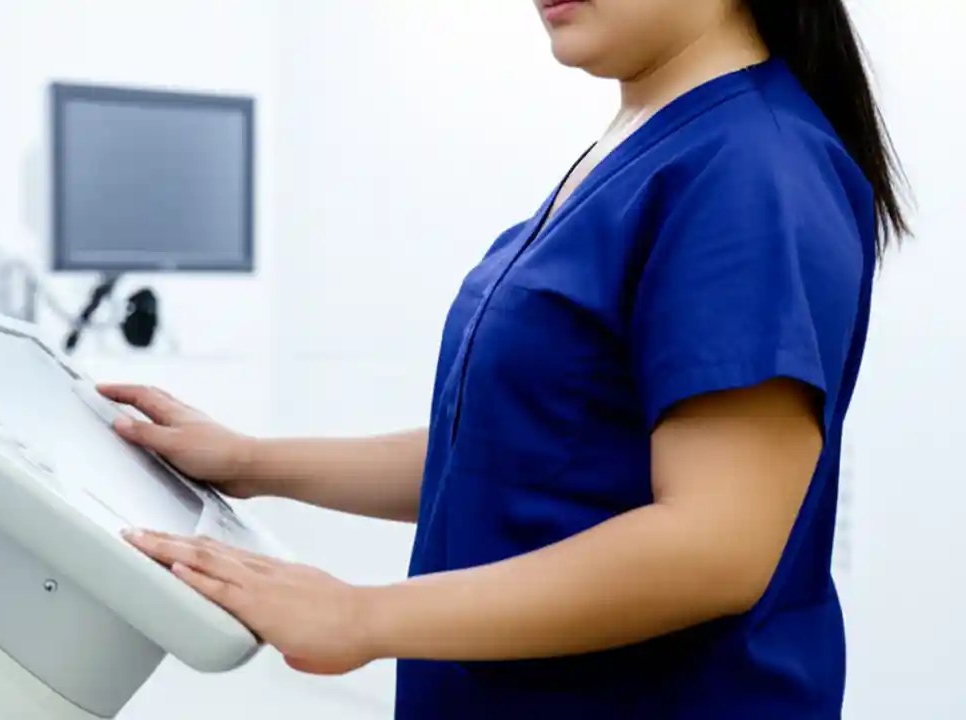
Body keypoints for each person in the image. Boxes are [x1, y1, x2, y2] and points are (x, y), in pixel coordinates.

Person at [107, 0, 910, 717]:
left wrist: (363, 617)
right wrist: (251, 462)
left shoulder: (750, 170)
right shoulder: (644, 144)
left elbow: (714, 549)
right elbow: (517, 458)